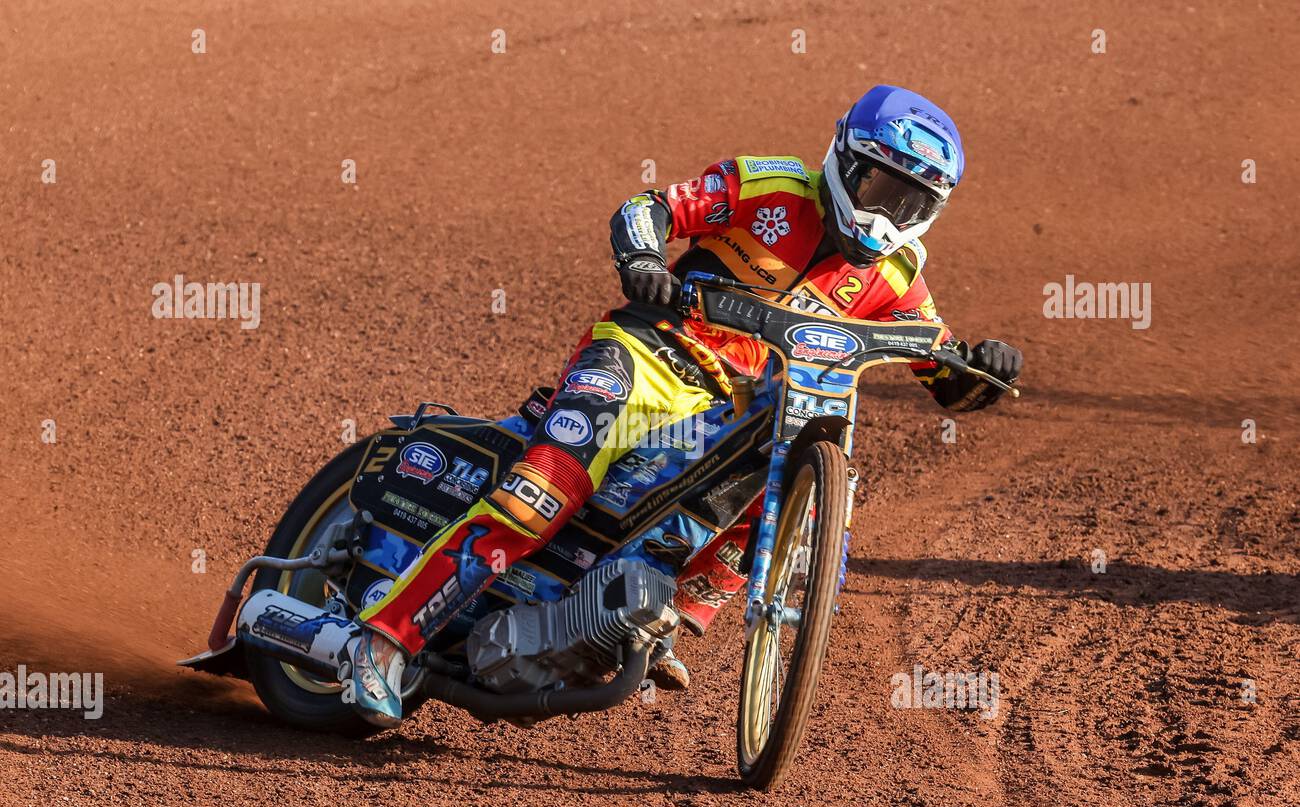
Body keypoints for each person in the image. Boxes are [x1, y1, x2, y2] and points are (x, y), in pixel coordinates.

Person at [337, 84, 1023, 727]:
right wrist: (643, 260)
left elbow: (945, 373)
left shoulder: (897, 278)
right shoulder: (771, 186)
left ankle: (670, 613)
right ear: (844, 160)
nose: (886, 215)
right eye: (879, 187)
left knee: (785, 484)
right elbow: (650, 209)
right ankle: (382, 641)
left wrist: (983, 370)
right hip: (646, 356)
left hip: (734, 406)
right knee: (544, 492)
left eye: (910, 204)